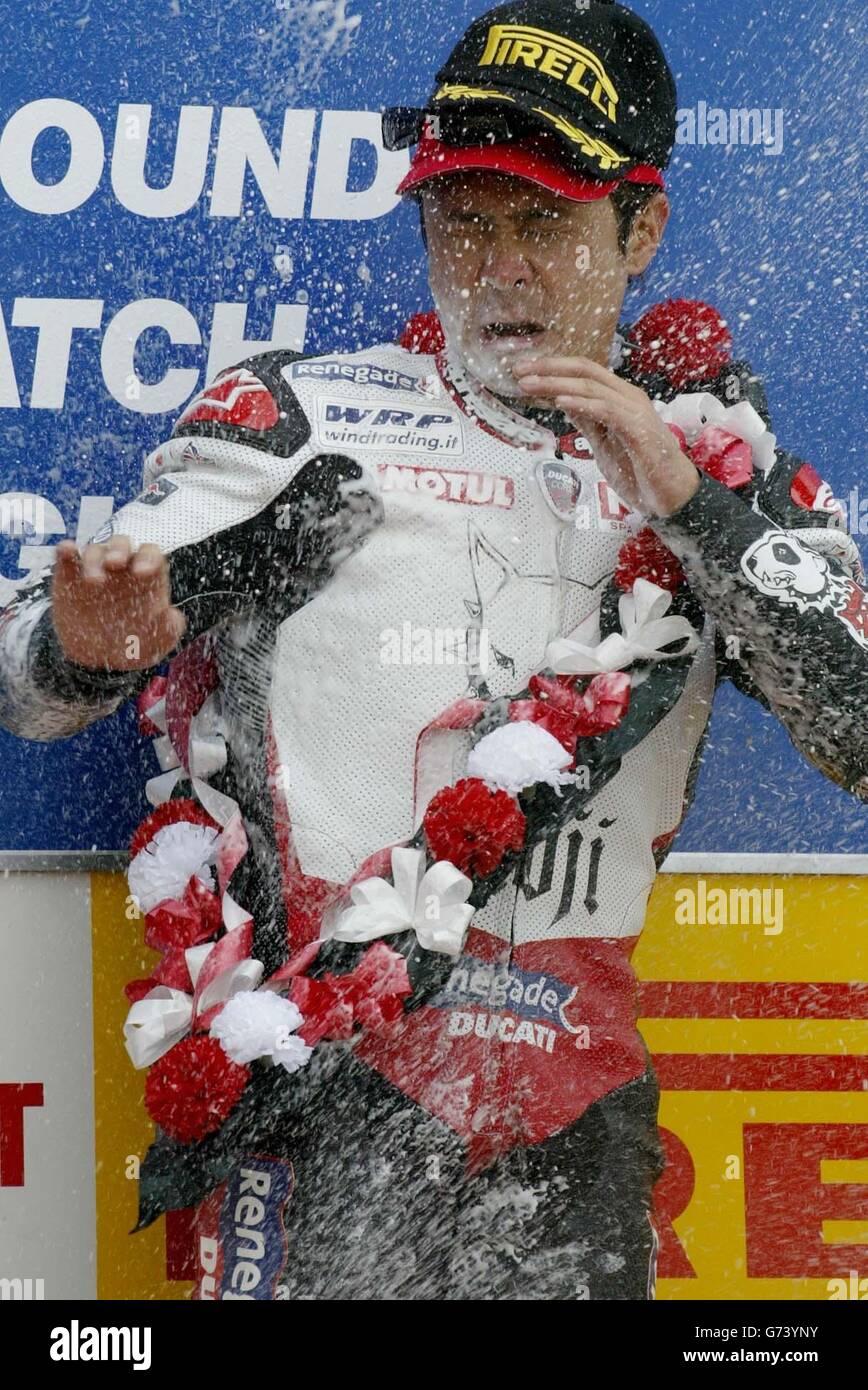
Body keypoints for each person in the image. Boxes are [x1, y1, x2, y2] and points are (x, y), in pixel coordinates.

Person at [1, 0, 866, 1300]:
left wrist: (691, 505)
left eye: (543, 225)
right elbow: (33, 670)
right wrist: (81, 644)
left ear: (642, 228)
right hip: (316, 1117)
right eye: (464, 221)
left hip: (572, 1146)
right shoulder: (303, 420)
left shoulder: (718, 474)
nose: (499, 268)